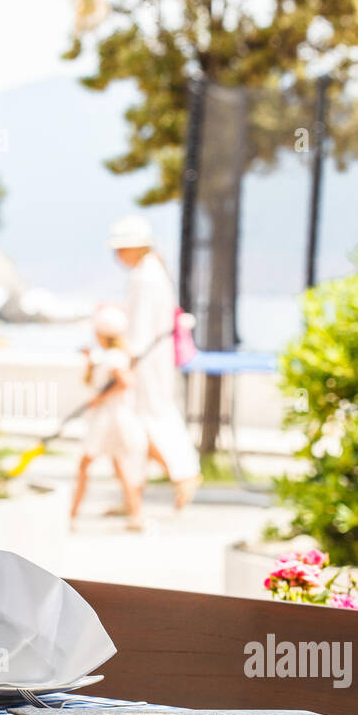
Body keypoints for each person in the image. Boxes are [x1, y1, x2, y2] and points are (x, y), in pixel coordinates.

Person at [108, 214, 202, 509]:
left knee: (152, 418)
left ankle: (183, 474)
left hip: (147, 360)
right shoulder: (151, 272)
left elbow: (141, 327)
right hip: (151, 357)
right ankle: (136, 493)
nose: (117, 254)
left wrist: (126, 360)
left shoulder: (145, 276)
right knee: (148, 420)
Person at [70, 304, 146, 531]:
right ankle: (135, 514)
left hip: (108, 419)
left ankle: (71, 515)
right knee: (121, 466)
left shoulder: (112, 357)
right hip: (114, 418)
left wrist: (100, 398)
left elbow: (125, 382)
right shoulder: (116, 356)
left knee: (86, 464)